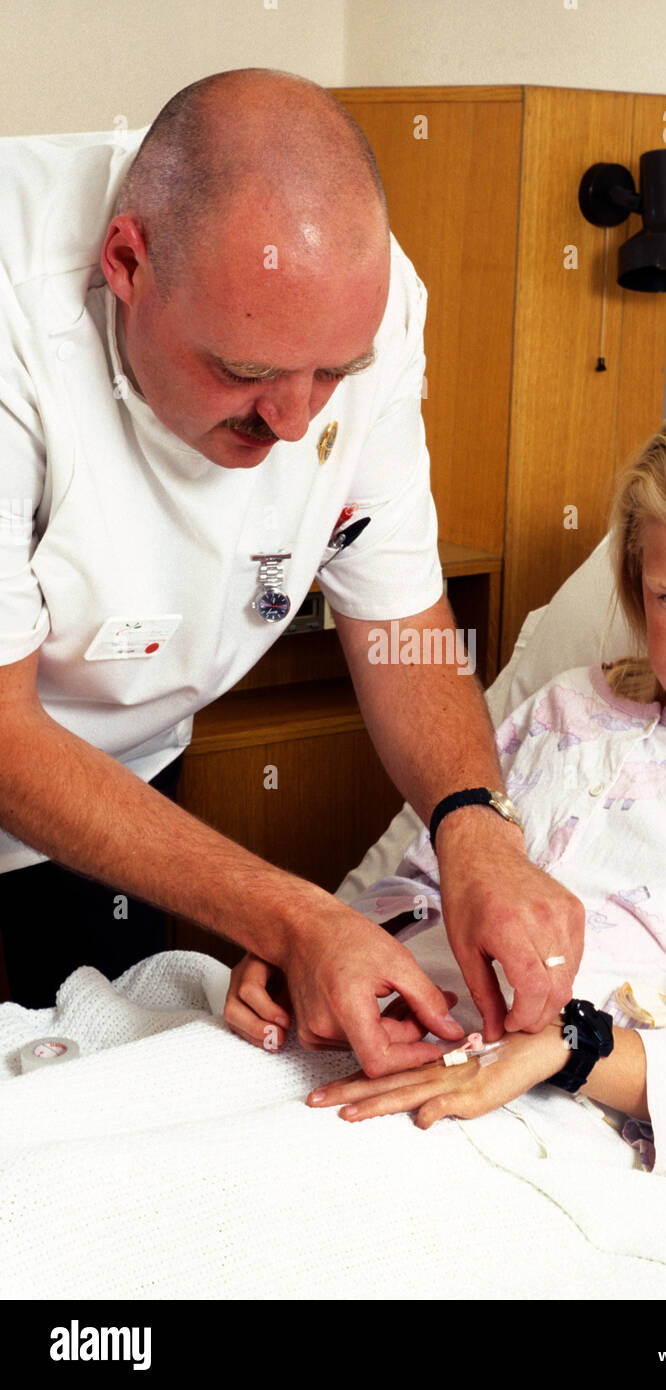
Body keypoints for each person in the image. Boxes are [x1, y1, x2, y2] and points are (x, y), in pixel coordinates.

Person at [0, 68, 583, 1072]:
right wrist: (293, 914)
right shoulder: (16, 300)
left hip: (116, 787)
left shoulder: (367, 300)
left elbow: (402, 621)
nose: (298, 421)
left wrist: (473, 822)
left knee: (88, 1072)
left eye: (333, 376)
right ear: (126, 261)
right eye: (245, 372)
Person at [305, 395, 666, 1184]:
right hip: (401, 1035)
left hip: (569, 1112)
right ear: (634, 579)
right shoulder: (567, 711)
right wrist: (323, 941)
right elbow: (423, 882)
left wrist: (572, 1048)